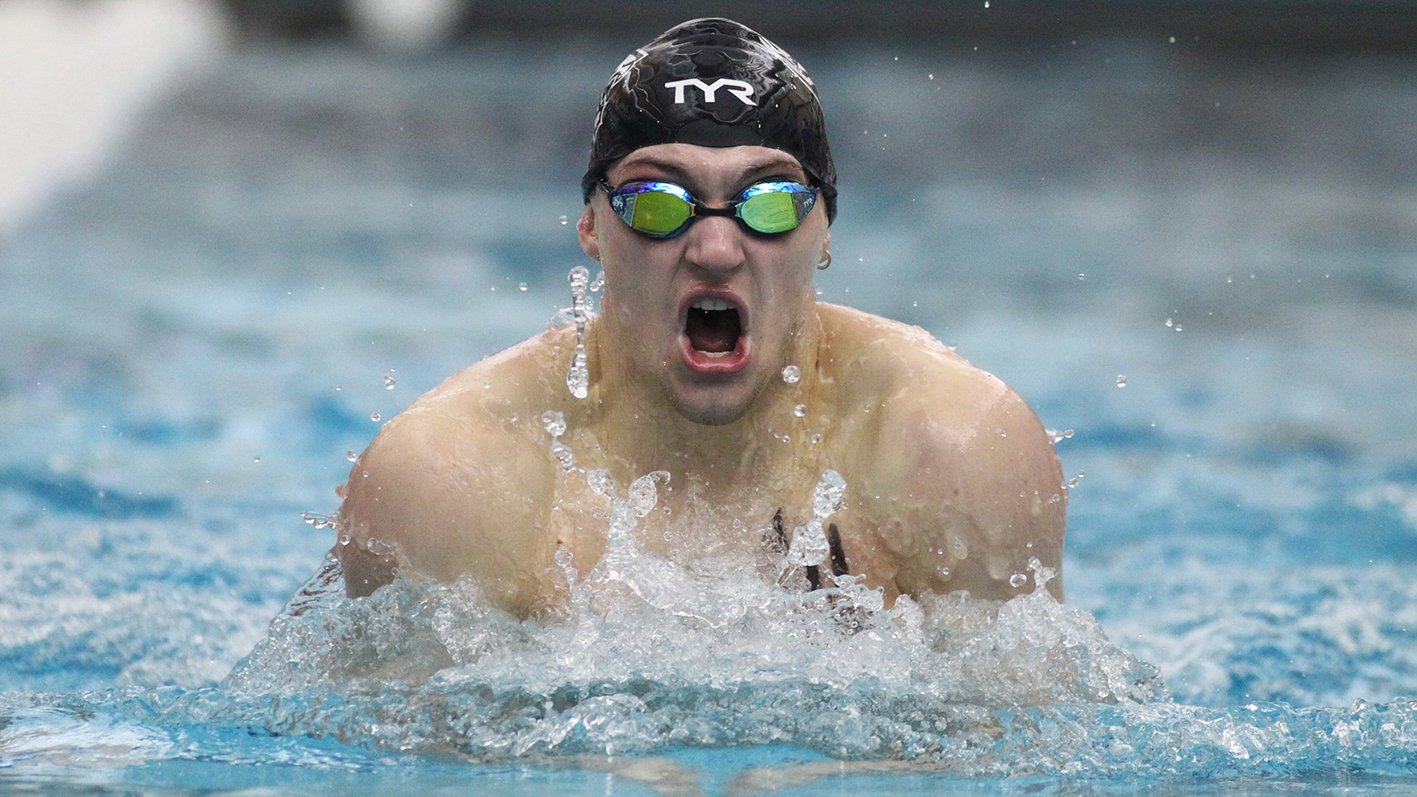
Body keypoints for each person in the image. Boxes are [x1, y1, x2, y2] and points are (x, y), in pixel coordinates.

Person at [334, 17, 1065, 616]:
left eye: (768, 203)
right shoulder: (453, 481)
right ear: (591, 226)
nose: (715, 247)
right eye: (658, 202)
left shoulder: (951, 449)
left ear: (824, 231)